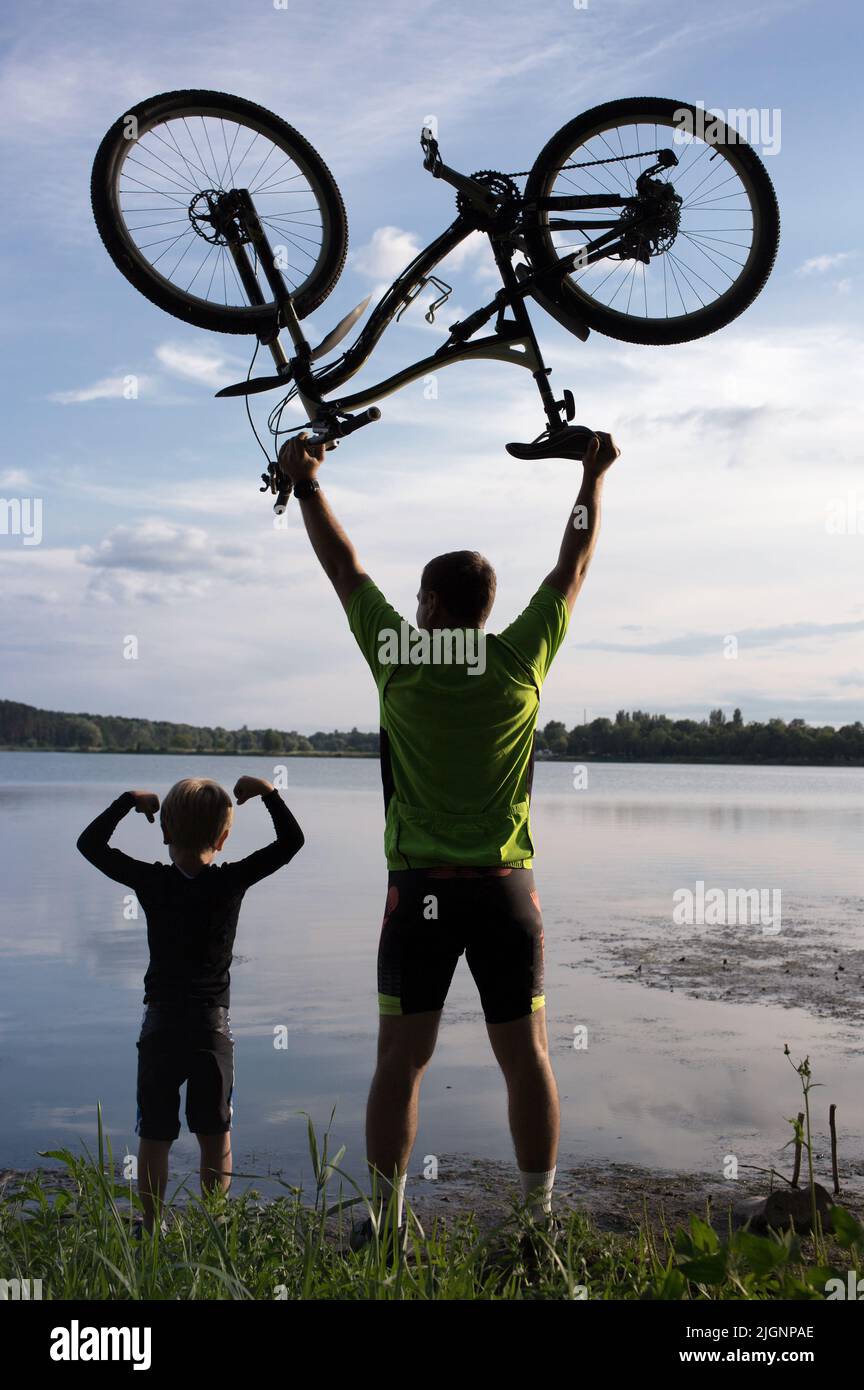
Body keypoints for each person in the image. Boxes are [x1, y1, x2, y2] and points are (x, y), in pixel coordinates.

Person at [279, 428, 619, 1244]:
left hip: (421, 894)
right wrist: (592, 476)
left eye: (420, 598)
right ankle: (537, 1221)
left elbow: (344, 570)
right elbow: (570, 569)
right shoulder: (519, 660)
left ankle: (389, 1224)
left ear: (430, 605)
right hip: (508, 893)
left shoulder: (398, 659)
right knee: (526, 1056)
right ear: (488, 607)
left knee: (402, 1058)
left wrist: (308, 482)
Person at [77, 774, 304, 1233]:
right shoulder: (232, 879)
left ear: (164, 833)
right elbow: (291, 842)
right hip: (211, 1027)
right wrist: (269, 795)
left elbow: (90, 845)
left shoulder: (150, 880)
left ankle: (151, 1224)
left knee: (155, 1133)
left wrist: (126, 801)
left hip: (160, 1026)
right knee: (214, 1132)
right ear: (222, 838)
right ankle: (213, 1224)